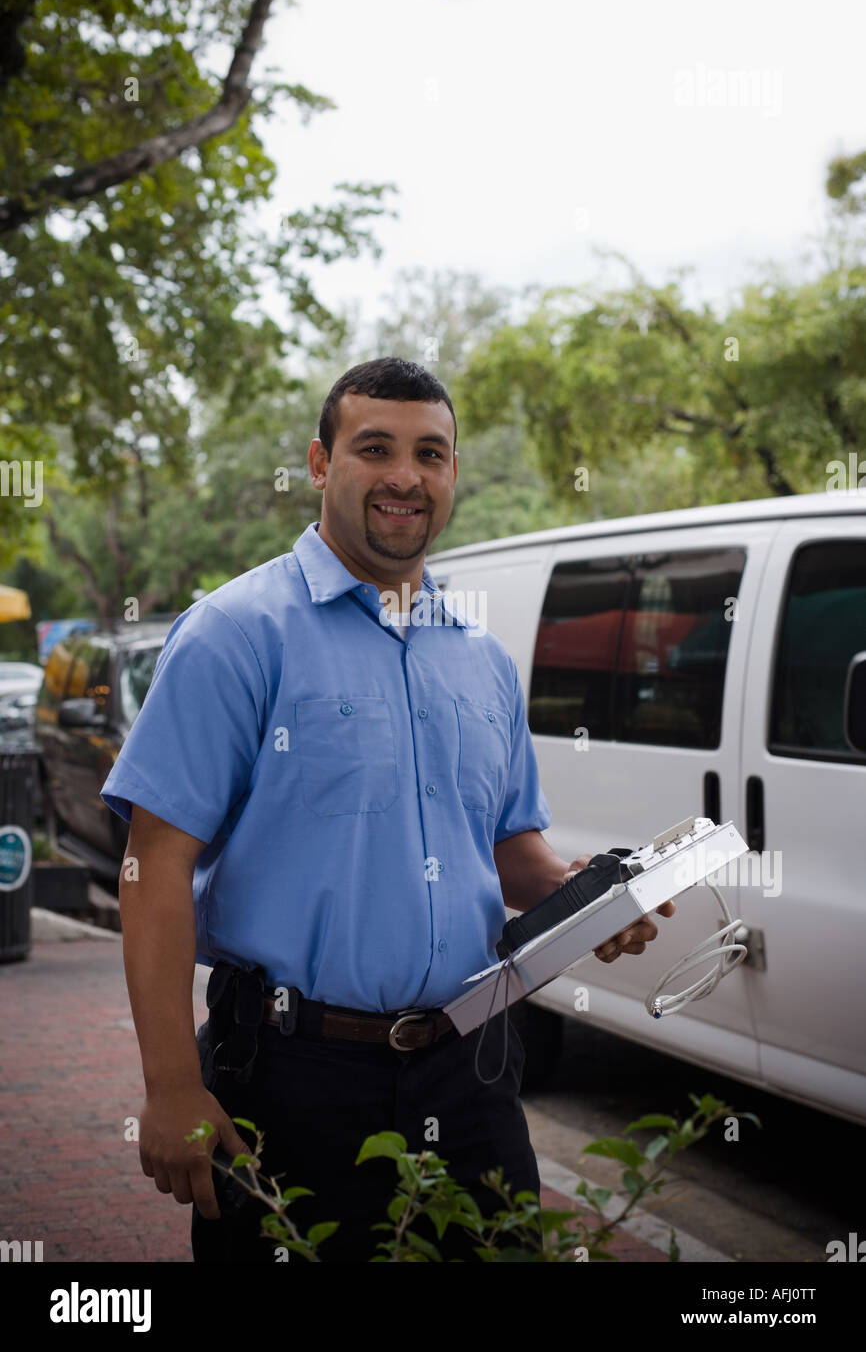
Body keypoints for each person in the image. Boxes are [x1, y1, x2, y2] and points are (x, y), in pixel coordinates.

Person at [100, 357, 674, 1263]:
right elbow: (153, 866)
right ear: (322, 466)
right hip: (292, 1078)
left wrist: (584, 900)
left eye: (431, 453)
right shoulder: (234, 634)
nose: (407, 475)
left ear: (452, 475)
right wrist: (171, 1086)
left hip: (473, 1074)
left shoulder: (480, 657)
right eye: (376, 448)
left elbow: (509, 847)